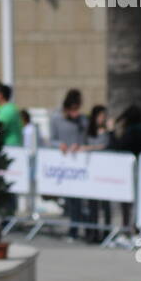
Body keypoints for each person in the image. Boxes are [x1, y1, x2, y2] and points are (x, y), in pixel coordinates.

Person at [109, 105, 141, 244]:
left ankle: (130, 229)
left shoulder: (132, 131)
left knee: (128, 200)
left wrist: (112, 132)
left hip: (131, 168)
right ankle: (134, 229)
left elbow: (120, 146)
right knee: (136, 200)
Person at [49, 88, 87, 239]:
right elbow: (51, 139)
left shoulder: (82, 120)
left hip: (79, 163)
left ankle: (75, 228)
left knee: (77, 199)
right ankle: (74, 224)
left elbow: (86, 138)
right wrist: (59, 144)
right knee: (69, 199)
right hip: (63, 165)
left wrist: (80, 146)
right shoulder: (56, 118)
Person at [84, 104, 111, 243]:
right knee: (92, 204)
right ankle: (92, 232)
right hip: (91, 173)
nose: (103, 119)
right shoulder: (88, 132)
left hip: (104, 173)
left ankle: (106, 232)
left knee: (106, 204)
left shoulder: (107, 132)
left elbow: (105, 146)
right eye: (101, 116)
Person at [0, 81, 23, 147]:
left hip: (11, 147)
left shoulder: (8, 109)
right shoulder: (5, 108)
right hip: (8, 146)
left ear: (1, 95)